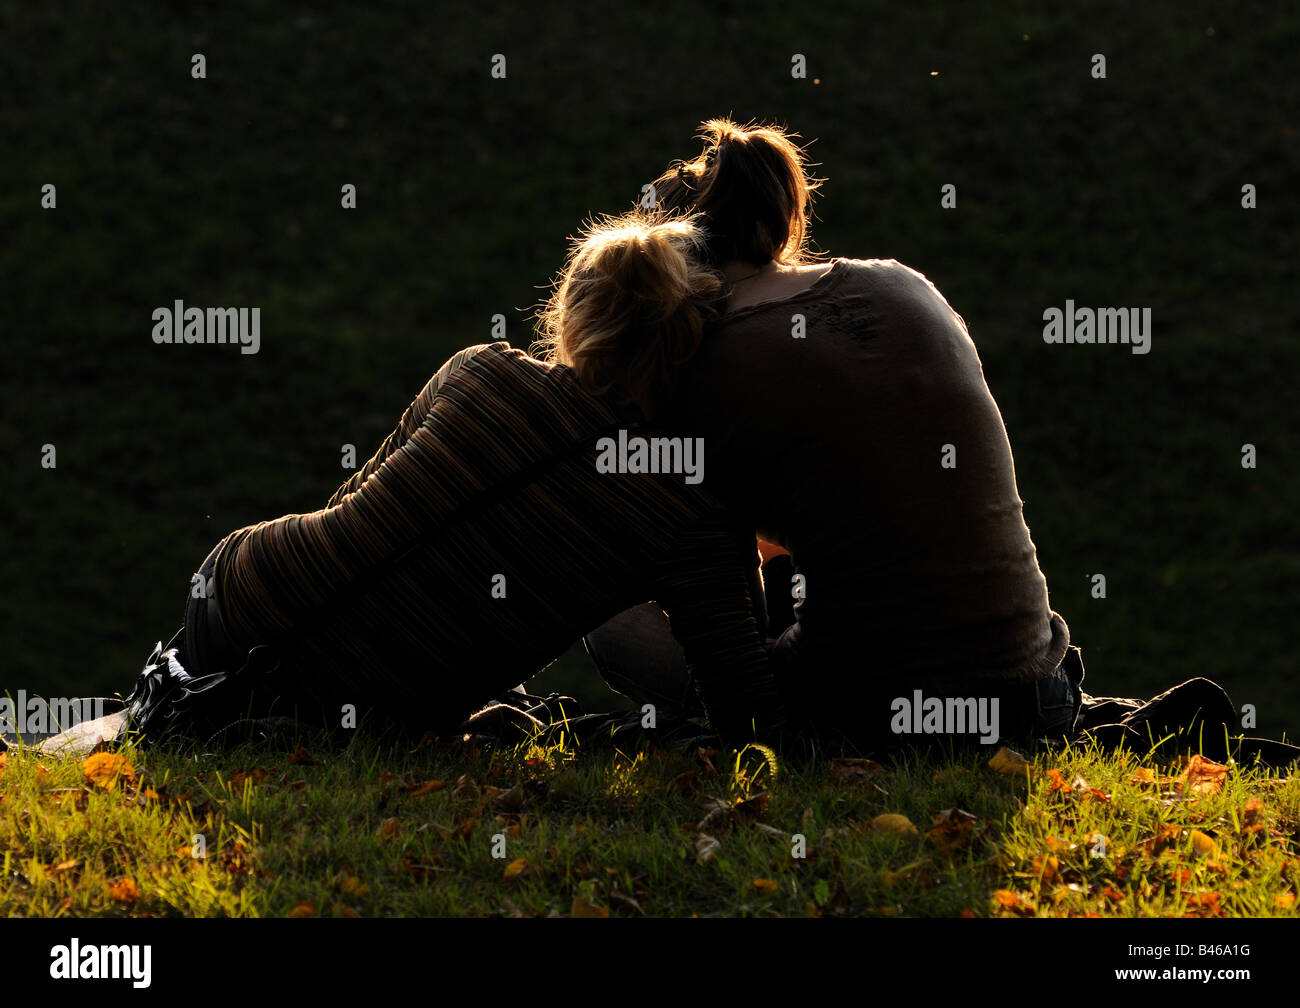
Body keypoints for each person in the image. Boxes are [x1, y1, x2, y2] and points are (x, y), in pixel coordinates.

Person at [561, 118, 1297, 765]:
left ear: (667, 270)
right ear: (776, 223)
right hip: (1037, 694)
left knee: (609, 616)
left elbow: (711, 593)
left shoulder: (709, 363)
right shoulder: (901, 283)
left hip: (883, 724)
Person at [115, 219, 786, 750]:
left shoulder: (478, 370)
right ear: (687, 349)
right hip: (370, 704)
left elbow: (363, 507)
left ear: (574, 315)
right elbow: (746, 711)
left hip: (245, 591)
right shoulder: (685, 505)